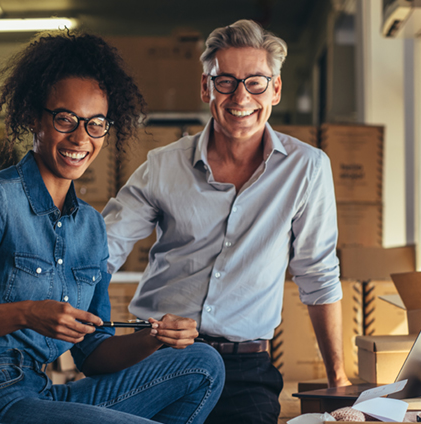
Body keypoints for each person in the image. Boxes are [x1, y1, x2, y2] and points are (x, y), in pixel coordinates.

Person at [0, 30, 224, 424]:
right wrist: (25, 313)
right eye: (65, 119)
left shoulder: (90, 226)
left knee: (203, 363)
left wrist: (153, 338)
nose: (81, 138)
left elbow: (95, 354)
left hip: (39, 393)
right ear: (33, 117)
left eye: (96, 124)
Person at [102, 19, 348, 424]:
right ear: (206, 87)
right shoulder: (163, 166)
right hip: (159, 356)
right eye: (226, 82)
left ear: (275, 89)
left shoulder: (307, 168)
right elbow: (102, 252)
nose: (241, 97)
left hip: (245, 370)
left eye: (256, 82)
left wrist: (338, 380)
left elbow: (317, 274)